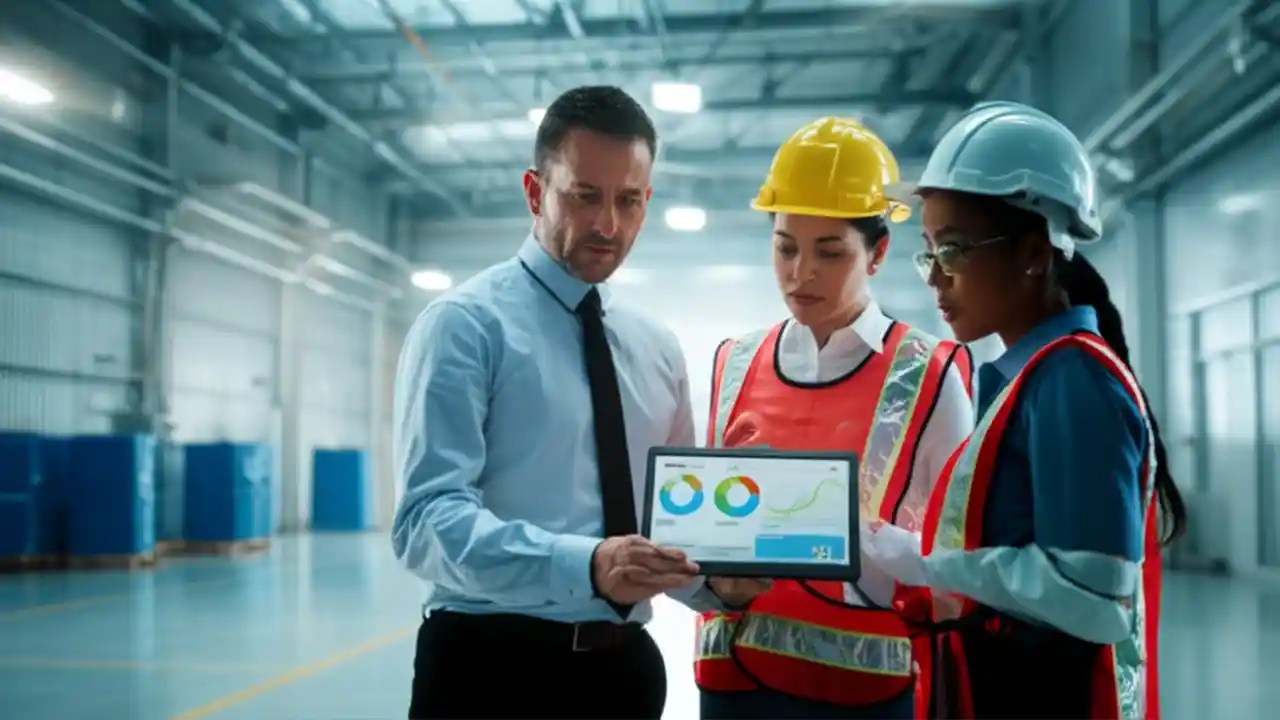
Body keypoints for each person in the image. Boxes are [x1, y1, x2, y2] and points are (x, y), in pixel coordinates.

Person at [390, 85, 728, 720]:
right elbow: (425, 523)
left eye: (629, 201)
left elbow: (673, 519)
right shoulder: (464, 327)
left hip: (624, 672)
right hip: (488, 671)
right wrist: (587, 564)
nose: (608, 224)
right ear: (534, 191)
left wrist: (719, 579)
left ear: (646, 201)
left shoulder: (657, 347)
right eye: (585, 195)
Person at [863, 100, 1188, 719]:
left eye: (953, 250)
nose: (936, 278)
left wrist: (931, 566)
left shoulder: (1073, 381)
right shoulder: (1030, 376)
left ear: (1035, 251)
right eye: (928, 252)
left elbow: (1092, 595)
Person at [693, 116, 975, 720]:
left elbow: (960, 559)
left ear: (877, 253)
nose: (801, 273)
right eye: (785, 247)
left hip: (865, 695)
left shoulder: (930, 376)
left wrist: (862, 540)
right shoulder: (732, 363)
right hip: (733, 685)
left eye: (830, 252)